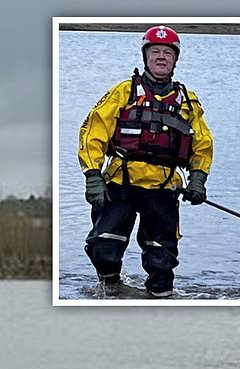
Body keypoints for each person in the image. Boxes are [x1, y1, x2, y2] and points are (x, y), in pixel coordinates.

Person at [77, 25, 214, 298]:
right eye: (155, 51)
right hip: (119, 184)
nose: (161, 57)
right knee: (102, 248)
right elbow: (93, 132)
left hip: (163, 189)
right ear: (145, 56)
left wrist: (198, 179)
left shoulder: (188, 102)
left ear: (175, 59)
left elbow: (202, 144)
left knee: (161, 262)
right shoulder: (122, 93)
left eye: (167, 52)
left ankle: (158, 304)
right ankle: (110, 288)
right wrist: (92, 175)